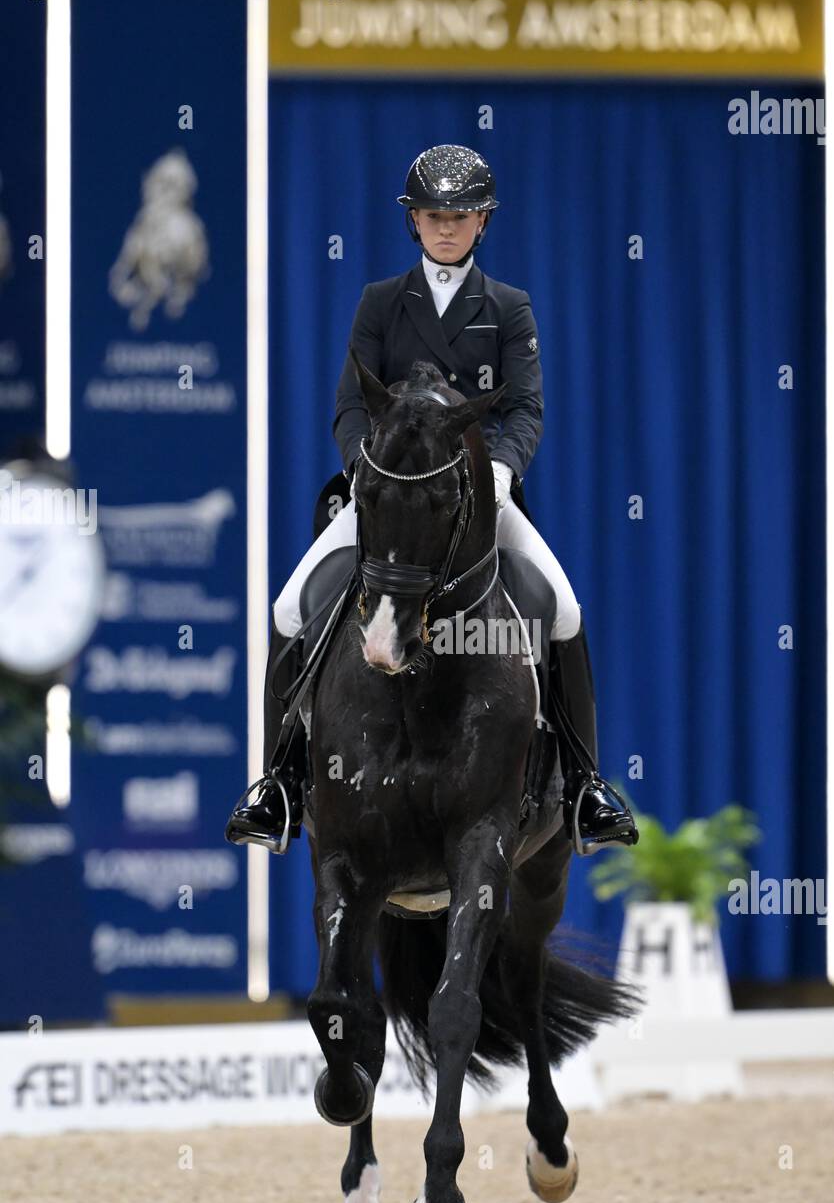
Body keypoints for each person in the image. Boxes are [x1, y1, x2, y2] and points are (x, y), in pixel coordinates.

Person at [226, 144, 637, 856]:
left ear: (482, 223)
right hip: (388, 497)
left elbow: (527, 410)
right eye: (433, 215)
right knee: (289, 608)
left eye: (460, 215)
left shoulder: (508, 308)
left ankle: (583, 785)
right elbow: (352, 403)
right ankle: (278, 783)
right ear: (413, 221)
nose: (446, 228)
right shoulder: (380, 303)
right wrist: (363, 467)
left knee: (564, 610)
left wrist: (502, 472)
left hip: (479, 501)